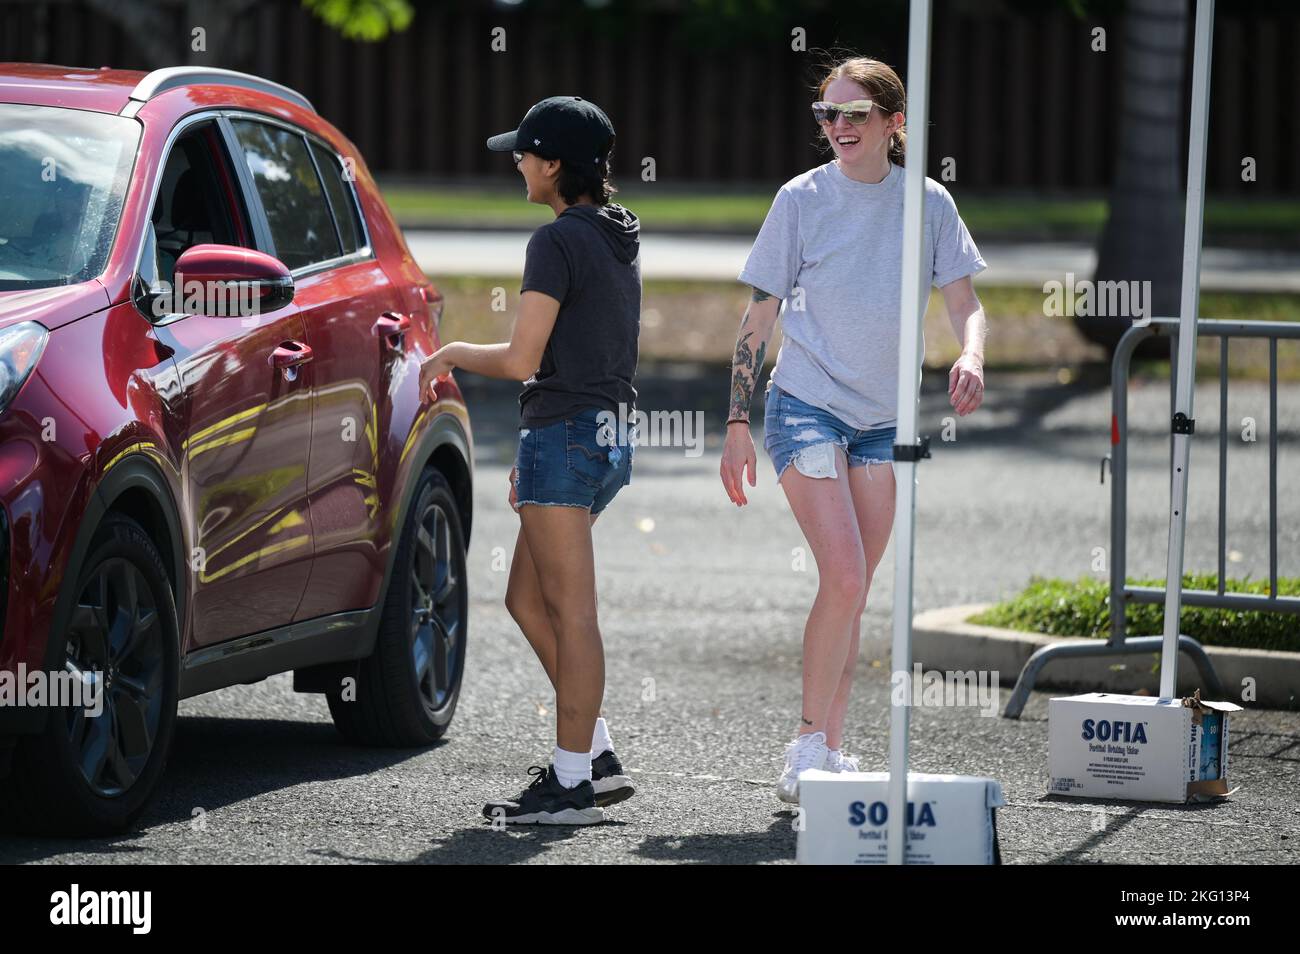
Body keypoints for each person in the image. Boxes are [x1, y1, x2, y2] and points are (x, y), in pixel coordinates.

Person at [718, 56, 989, 804]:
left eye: (853, 115)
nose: (837, 126)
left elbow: (965, 301)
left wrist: (971, 351)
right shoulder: (800, 200)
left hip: (885, 420)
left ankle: (830, 752)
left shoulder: (928, 204)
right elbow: (759, 316)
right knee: (841, 573)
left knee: (854, 590)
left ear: (893, 124)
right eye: (826, 114)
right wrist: (738, 420)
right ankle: (805, 747)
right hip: (806, 403)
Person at [419, 96, 640, 824]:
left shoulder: (555, 243)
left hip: (565, 437)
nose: (516, 162)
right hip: (601, 438)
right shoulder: (613, 233)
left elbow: (521, 359)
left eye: (524, 153)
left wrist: (449, 352)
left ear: (552, 165)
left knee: (574, 617)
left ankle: (572, 783)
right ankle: (596, 752)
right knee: (524, 598)